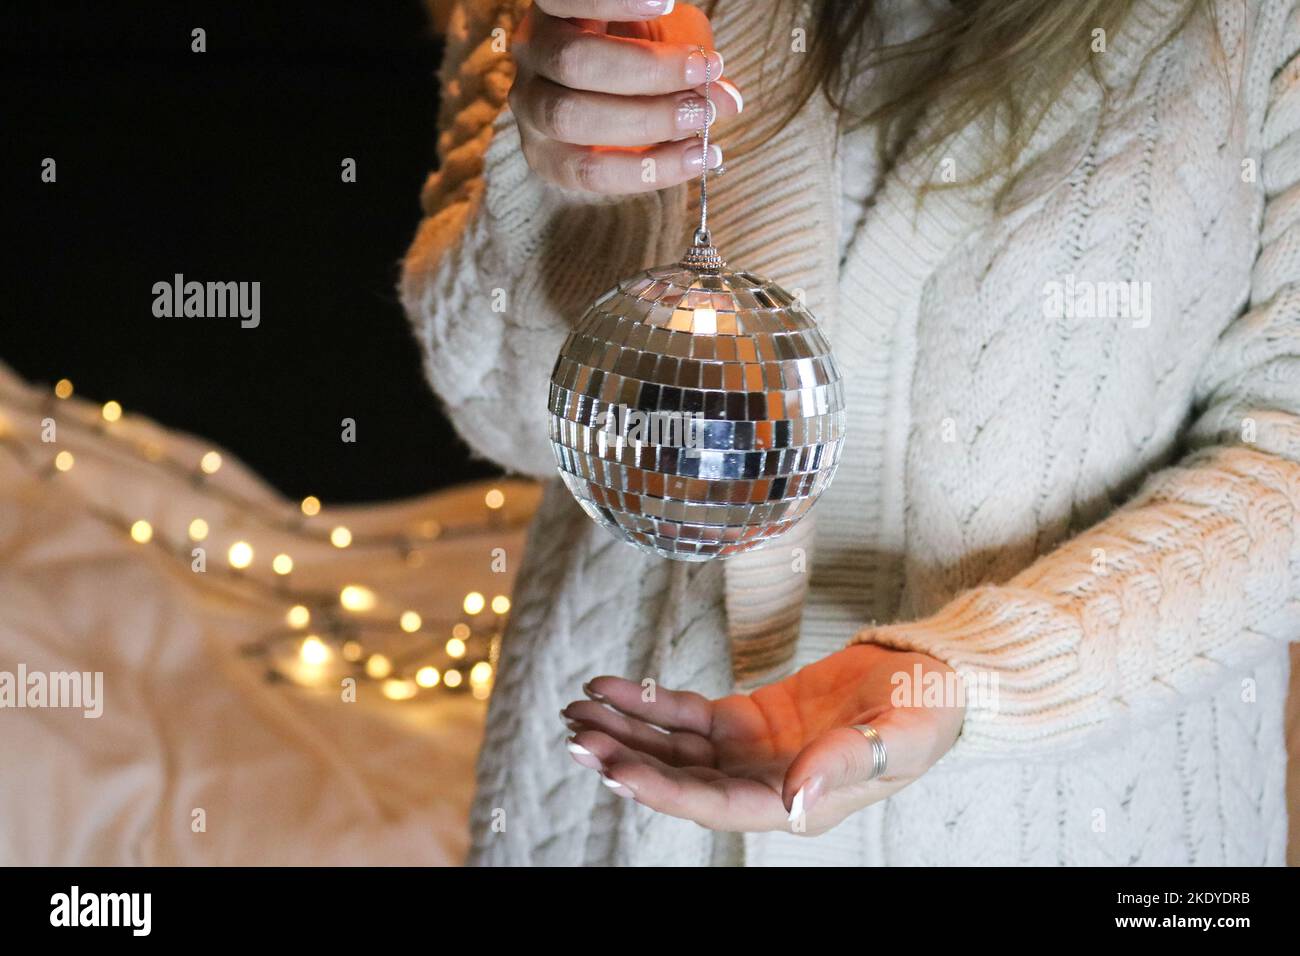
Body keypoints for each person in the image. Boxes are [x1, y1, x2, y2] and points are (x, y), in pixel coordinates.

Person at [402, 0, 1300, 865]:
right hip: (619, 813)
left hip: (1077, 824)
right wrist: (561, 185)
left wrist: (968, 680)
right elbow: (506, 420)